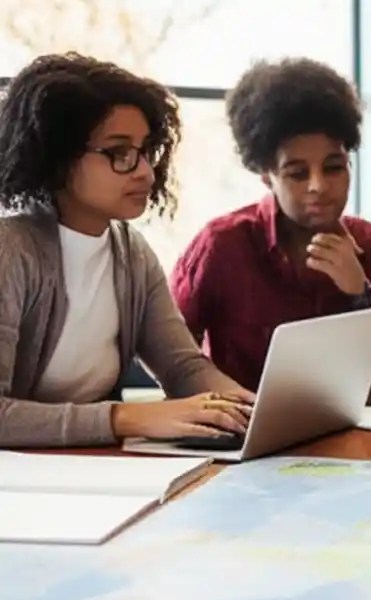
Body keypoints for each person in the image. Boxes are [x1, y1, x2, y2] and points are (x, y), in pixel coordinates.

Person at [0, 53, 254, 449]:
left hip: (91, 466)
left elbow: (182, 366)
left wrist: (249, 410)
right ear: (57, 157)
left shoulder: (130, 252)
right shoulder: (10, 250)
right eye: (119, 153)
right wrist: (129, 417)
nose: (145, 173)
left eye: (146, 150)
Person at [171, 58, 371, 406]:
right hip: (241, 435)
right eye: (297, 173)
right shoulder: (222, 245)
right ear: (267, 176)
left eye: (334, 168)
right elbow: (171, 354)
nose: (318, 186)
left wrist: (358, 296)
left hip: (348, 439)